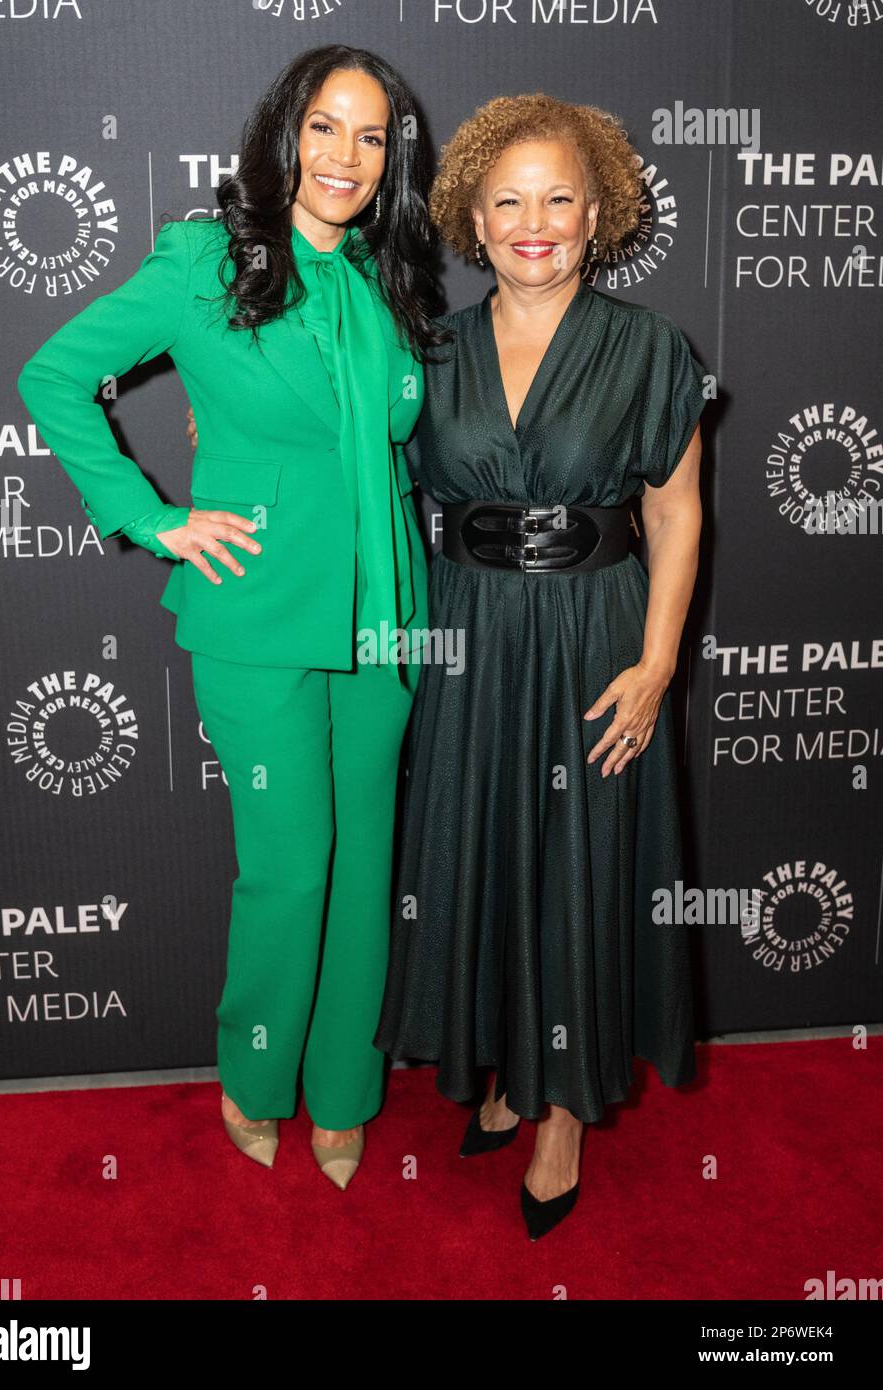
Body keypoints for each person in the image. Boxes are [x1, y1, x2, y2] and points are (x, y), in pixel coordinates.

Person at [17, 45, 444, 1190]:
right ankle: (254, 1080)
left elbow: (397, 431)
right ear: (282, 132)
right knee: (291, 870)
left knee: (364, 870)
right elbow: (55, 375)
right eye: (325, 127)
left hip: (387, 618)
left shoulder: (382, 277)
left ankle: (344, 1093)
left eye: (370, 135)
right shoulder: (208, 258)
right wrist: (154, 519)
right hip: (256, 616)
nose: (346, 156)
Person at [373, 94, 708, 1238]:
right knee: (484, 852)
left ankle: (561, 1107)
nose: (534, 221)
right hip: (464, 634)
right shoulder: (423, 346)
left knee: (579, 864)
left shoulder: (651, 347)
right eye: (508, 199)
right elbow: (337, 450)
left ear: (598, 211)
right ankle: (504, 1068)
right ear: (470, 212)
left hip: (591, 636)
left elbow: (674, 513)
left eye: (559, 198)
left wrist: (658, 660)